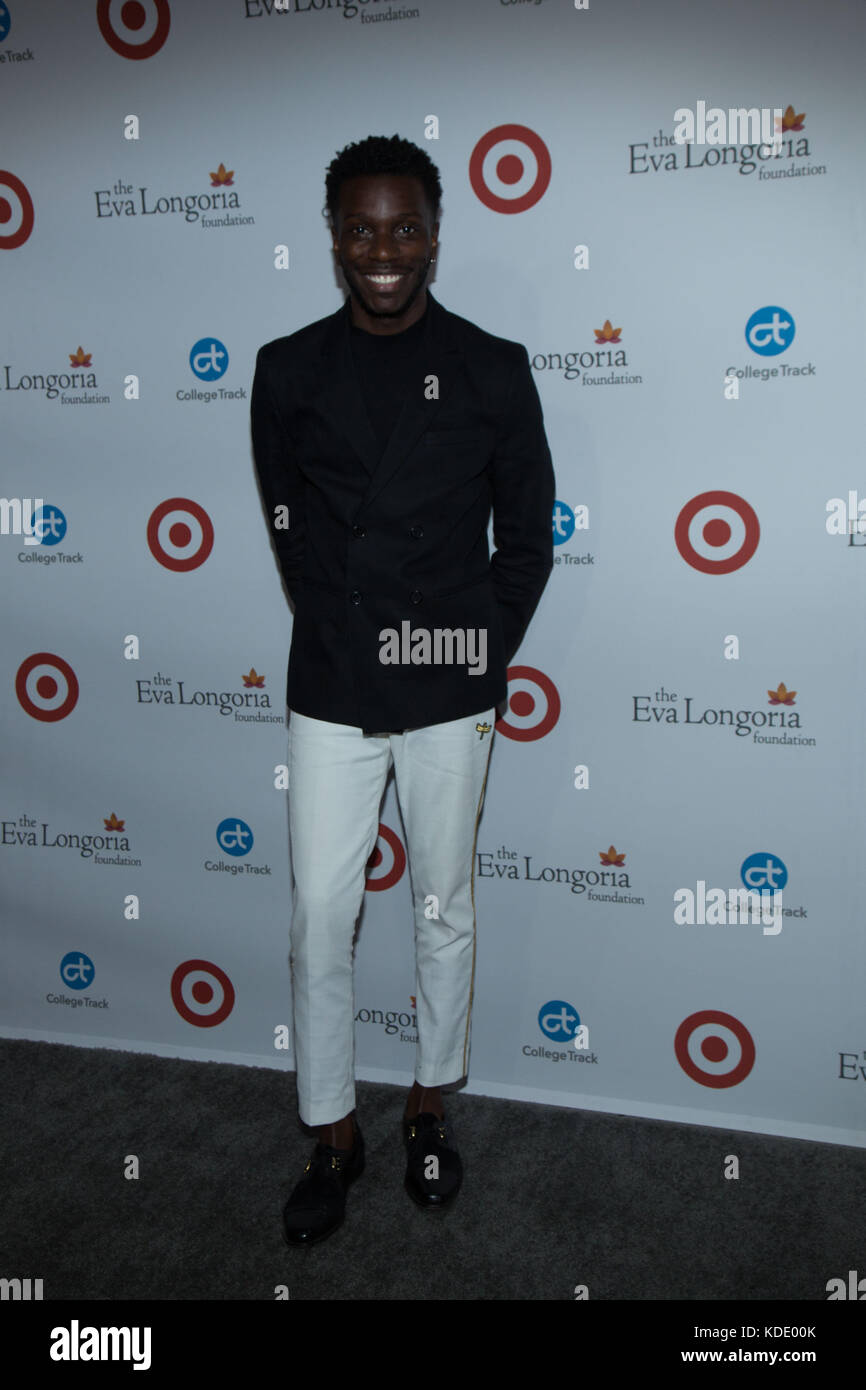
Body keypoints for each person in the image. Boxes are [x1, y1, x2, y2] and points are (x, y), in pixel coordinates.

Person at [251, 134, 555, 1246]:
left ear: (435, 231)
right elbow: (288, 524)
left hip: (447, 688)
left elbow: (523, 541)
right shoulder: (285, 369)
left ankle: (427, 1103)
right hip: (332, 683)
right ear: (333, 234)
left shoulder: (489, 365)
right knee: (319, 919)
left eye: (404, 227)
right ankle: (331, 1131)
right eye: (361, 229)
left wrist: (470, 655)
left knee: (440, 905)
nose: (383, 251)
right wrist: (341, 633)